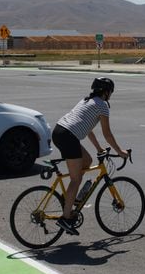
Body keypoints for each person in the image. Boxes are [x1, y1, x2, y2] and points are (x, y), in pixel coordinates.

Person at [51, 77, 128, 235]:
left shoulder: (86, 101)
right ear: (106, 92)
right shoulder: (102, 105)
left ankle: (72, 198)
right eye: (110, 92)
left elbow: (88, 128)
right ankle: (65, 218)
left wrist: (98, 148)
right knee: (75, 179)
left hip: (59, 131)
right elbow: (107, 133)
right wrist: (120, 152)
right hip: (69, 137)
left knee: (87, 161)